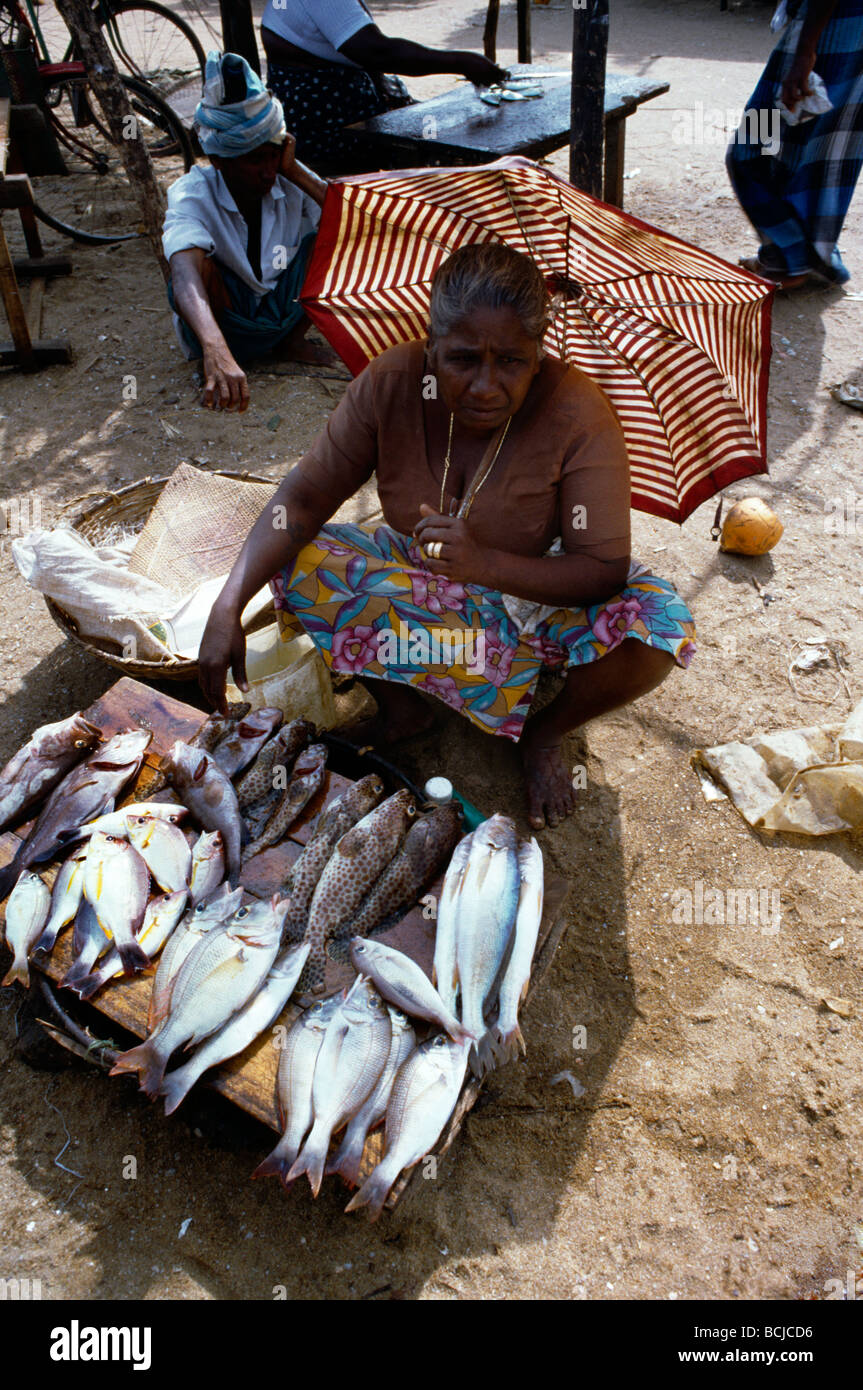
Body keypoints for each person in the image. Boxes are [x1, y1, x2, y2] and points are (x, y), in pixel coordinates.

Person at [198, 244, 696, 830]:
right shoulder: (392, 382)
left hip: (539, 594)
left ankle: (542, 733)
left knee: (660, 624)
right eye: (463, 359)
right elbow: (300, 502)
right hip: (423, 579)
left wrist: (485, 564)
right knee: (294, 555)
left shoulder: (578, 412)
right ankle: (403, 710)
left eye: (511, 360)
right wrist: (228, 604)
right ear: (431, 345)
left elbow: (603, 568)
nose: (486, 385)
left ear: (539, 353)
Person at [163, 51, 332, 412]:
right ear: (220, 160)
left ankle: (289, 343)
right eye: (255, 160)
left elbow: (355, 221)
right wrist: (214, 347)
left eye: (274, 155)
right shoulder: (192, 192)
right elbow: (183, 271)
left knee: (334, 237)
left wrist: (296, 171)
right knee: (195, 269)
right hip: (228, 327)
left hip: (281, 315)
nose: (269, 171)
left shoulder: (287, 179)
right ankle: (222, 358)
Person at [260, 0, 508, 171]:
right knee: (451, 151)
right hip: (324, 138)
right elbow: (377, 51)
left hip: (343, 124)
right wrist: (461, 61)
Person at [727, 0, 863, 288]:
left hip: (831, 29)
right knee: (822, 154)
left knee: (750, 148)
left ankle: (790, 261)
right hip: (846, 31)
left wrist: (804, 53)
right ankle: (806, 258)